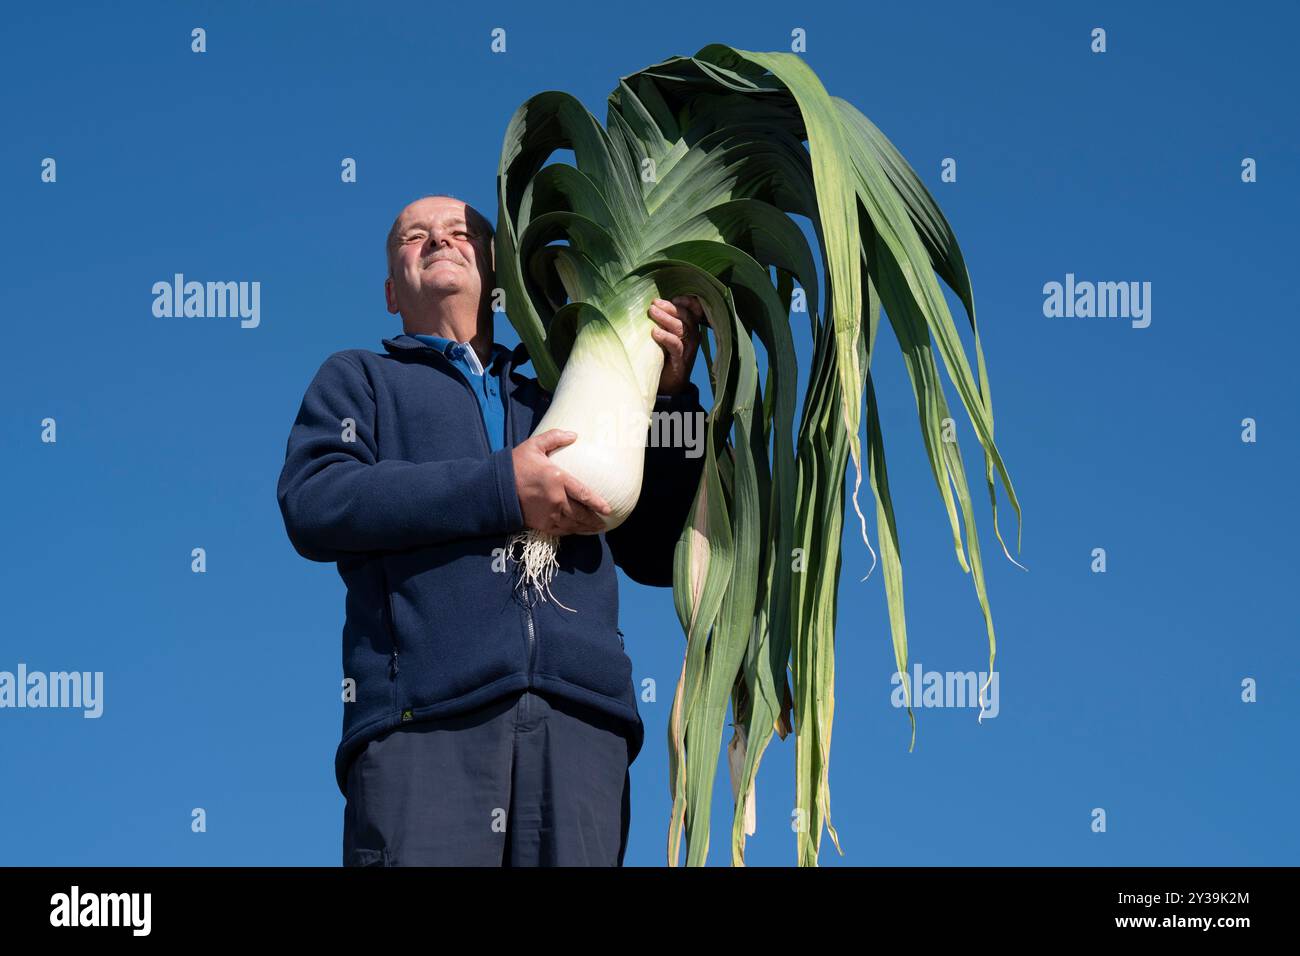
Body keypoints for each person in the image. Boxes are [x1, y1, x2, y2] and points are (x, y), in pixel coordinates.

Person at [275, 194, 706, 865]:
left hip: (582, 727)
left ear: (496, 273)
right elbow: (315, 500)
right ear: (392, 290)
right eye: (414, 235)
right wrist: (502, 488)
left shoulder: (562, 394)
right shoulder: (359, 380)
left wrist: (672, 399)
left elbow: (654, 552)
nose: (439, 240)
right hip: (425, 724)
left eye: (461, 232)